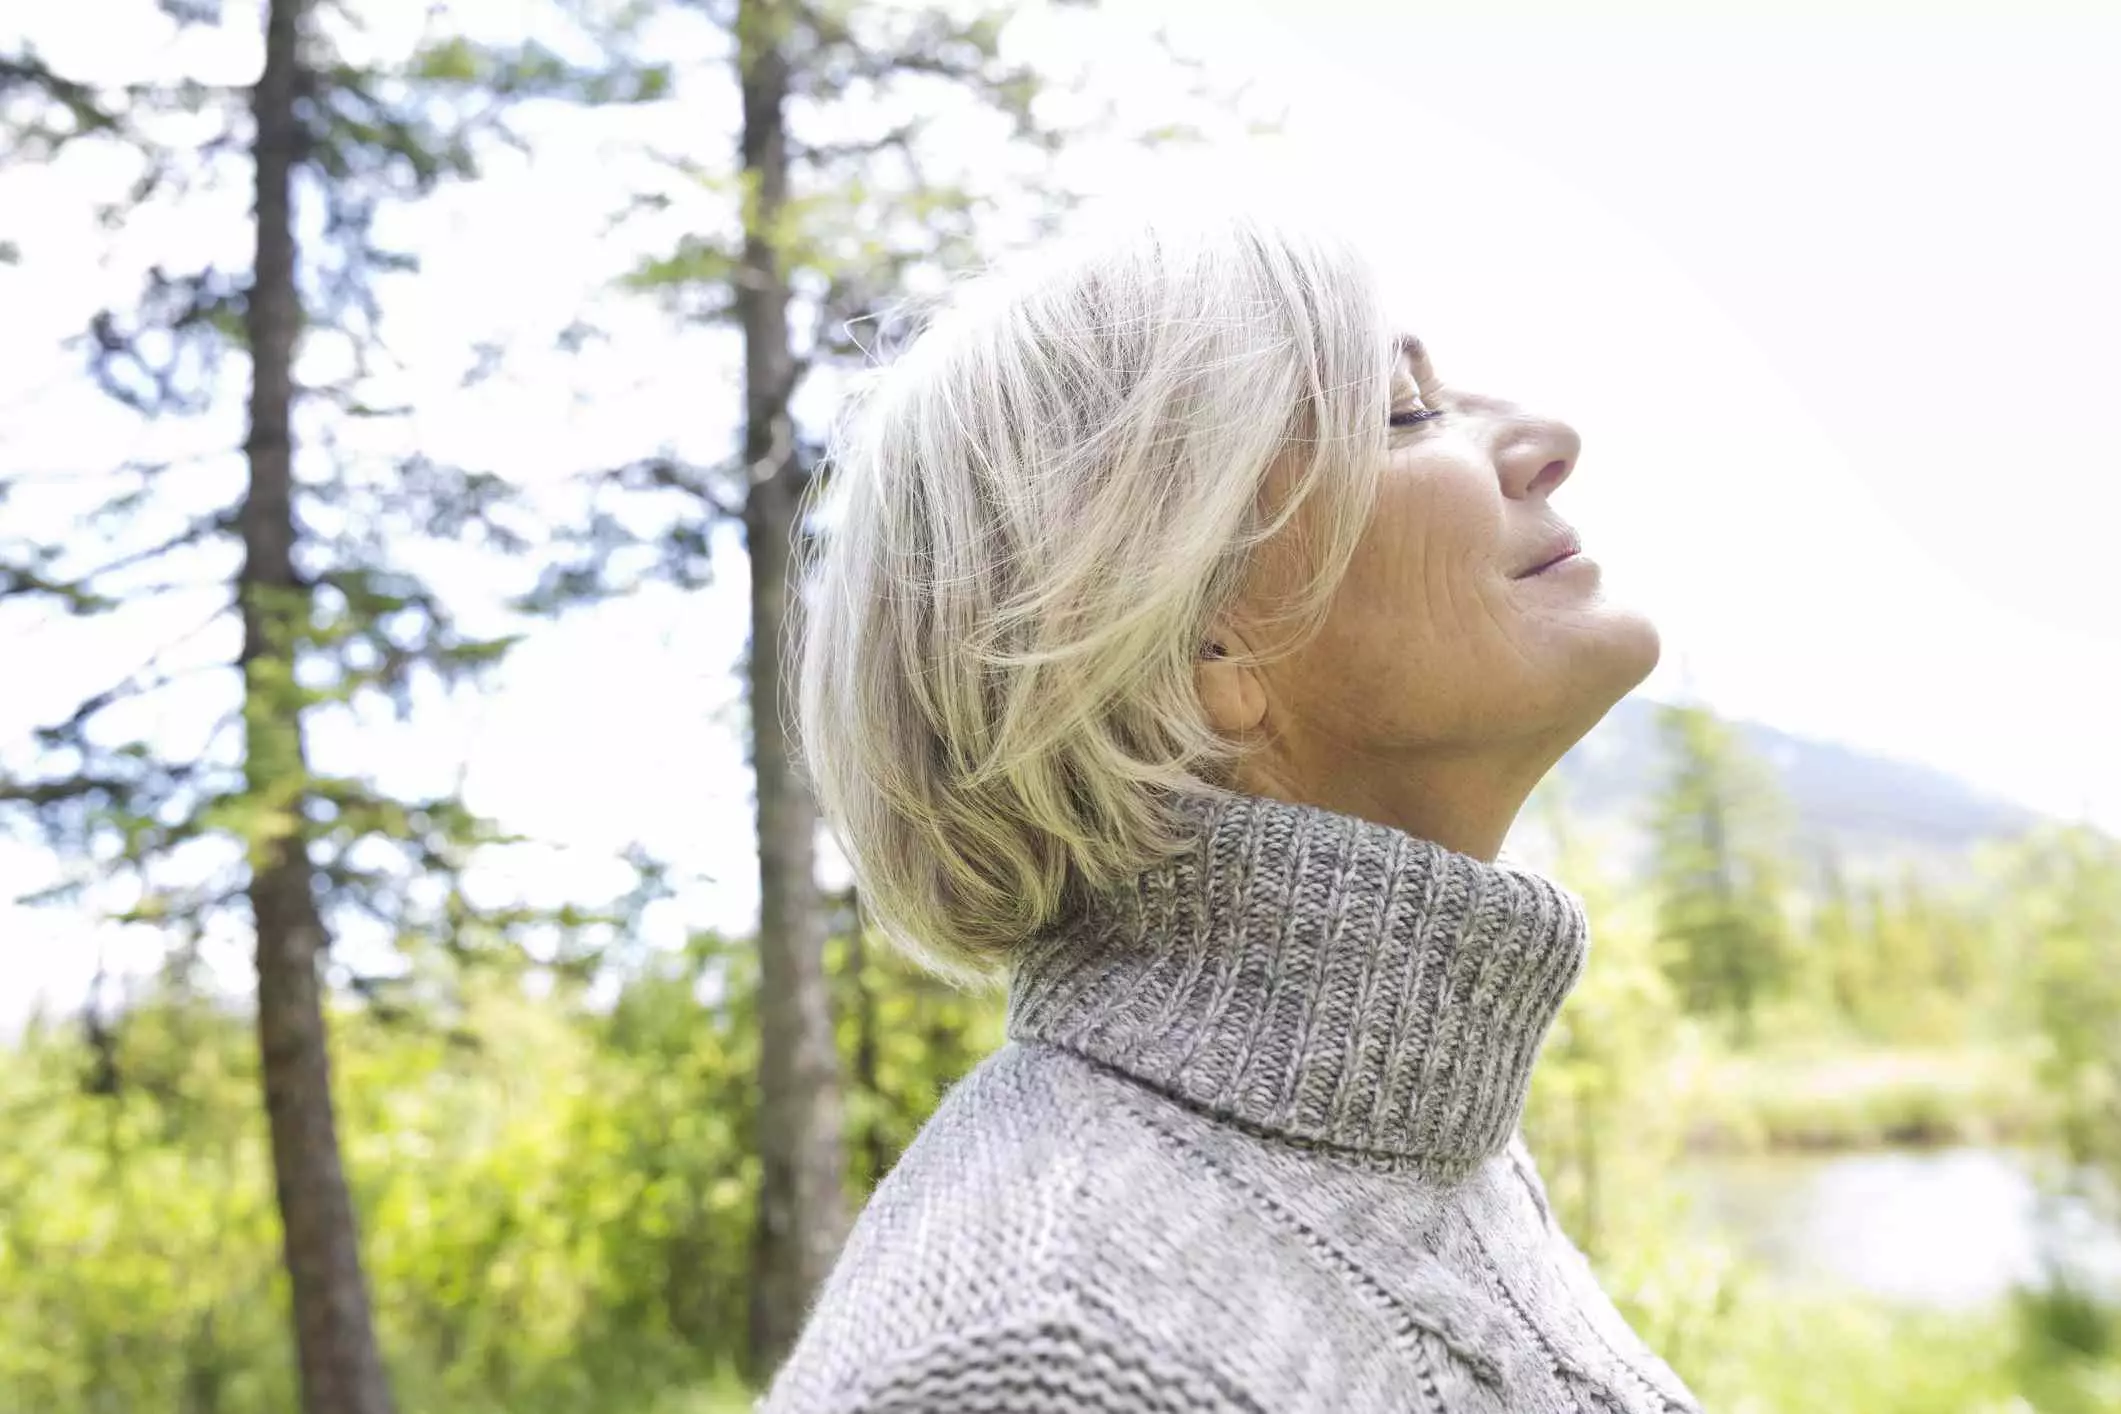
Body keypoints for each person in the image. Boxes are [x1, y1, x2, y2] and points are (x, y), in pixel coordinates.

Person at [768, 204, 1703, 1413]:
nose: (1547, 437)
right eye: (1406, 410)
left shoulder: (1402, 1138)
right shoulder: (1044, 1355)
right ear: (1197, 639)